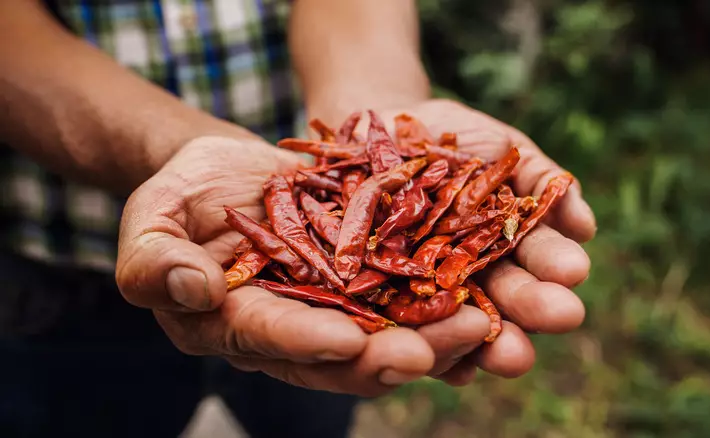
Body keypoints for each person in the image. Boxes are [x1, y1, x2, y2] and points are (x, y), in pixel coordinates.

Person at [0, 1, 597, 437]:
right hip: (58, 272)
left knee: (315, 397)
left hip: (280, 252)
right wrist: (175, 146)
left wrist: (371, 109)